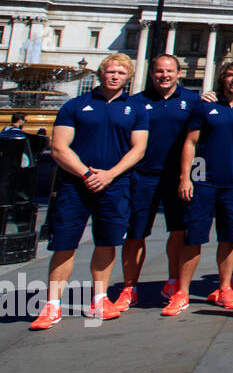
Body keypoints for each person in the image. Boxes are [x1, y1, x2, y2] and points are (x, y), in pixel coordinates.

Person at [30, 54, 149, 330]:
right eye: (110, 71)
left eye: (120, 72)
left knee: (107, 242)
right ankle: (52, 305)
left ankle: (99, 297)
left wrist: (109, 174)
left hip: (114, 184)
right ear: (100, 73)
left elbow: (139, 148)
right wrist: (86, 173)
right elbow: (60, 147)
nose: (114, 76)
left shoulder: (136, 109)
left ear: (128, 76)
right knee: (64, 243)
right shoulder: (75, 105)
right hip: (75, 184)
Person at [168, 62, 233, 315]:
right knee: (194, 238)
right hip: (203, 181)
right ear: (222, 79)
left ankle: (225, 287)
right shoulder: (205, 106)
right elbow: (190, 143)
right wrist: (185, 177)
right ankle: (182, 291)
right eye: (230, 75)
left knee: (230, 238)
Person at [119, 55, 201, 310]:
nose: (164, 75)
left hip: (179, 176)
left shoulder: (193, 100)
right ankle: (129, 287)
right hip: (143, 175)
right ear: (151, 73)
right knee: (135, 233)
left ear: (178, 73)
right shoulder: (135, 103)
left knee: (178, 231)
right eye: (159, 71)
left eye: (169, 71)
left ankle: (173, 281)